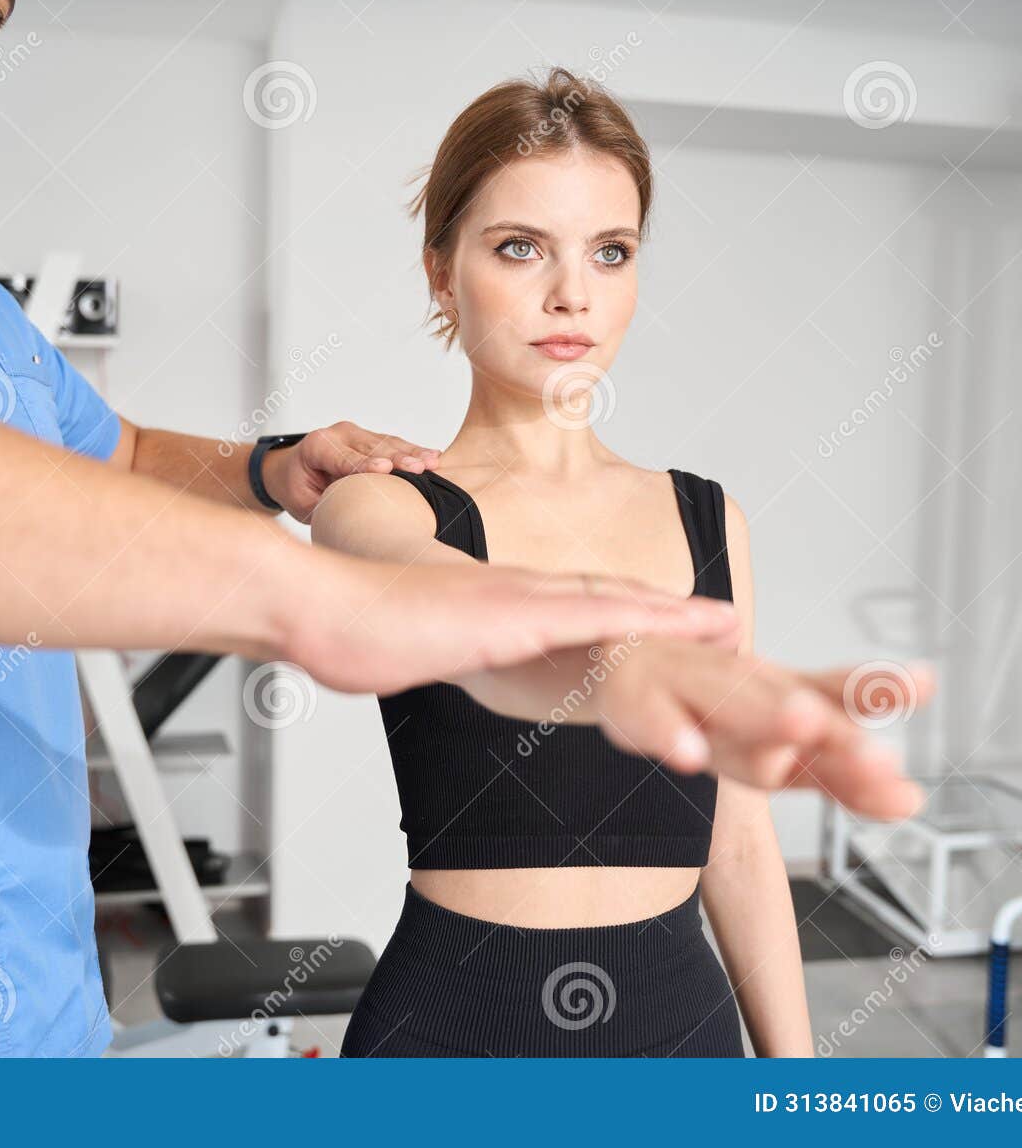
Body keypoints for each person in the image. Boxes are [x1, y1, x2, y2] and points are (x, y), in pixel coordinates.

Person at [0, 0, 931, 1057]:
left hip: (36, 1003)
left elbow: (120, 453)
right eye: (521, 247)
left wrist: (267, 465)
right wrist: (334, 598)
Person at [315, 69, 886, 1057]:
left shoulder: (707, 519)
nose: (571, 293)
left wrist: (799, 1081)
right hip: (453, 1033)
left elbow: (739, 838)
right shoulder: (381, 503)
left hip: (679, 1026)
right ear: (440, 271)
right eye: (520, 248)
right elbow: (419, 582)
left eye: (610, 252)